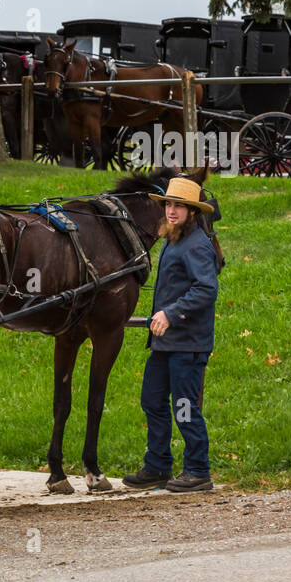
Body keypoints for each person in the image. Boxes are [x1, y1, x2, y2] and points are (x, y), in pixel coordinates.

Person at [123, 175, 219, 493]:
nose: (172, 211)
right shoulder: (172, 239)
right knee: (152, 400)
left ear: (192, 211)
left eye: (179, 206)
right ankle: (158, 465)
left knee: (184, 406)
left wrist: (170, 313)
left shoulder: (197, 244)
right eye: (168, 205)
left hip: (188, 343)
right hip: (165, 343)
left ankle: (197, 469)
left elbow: (206, 289)